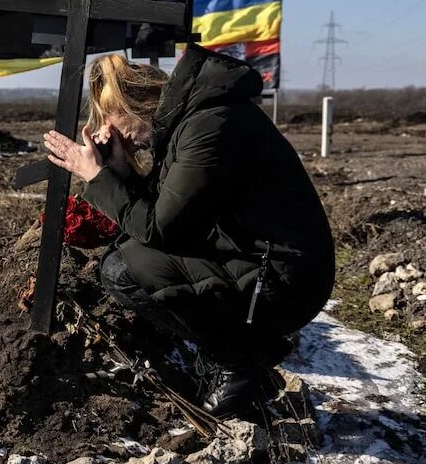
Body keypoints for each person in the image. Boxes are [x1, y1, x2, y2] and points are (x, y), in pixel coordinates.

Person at [42, 45, 335, 417]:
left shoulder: (208, 126)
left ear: (134, 105)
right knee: (127, 257)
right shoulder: (194, 120)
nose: (110, 134)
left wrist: (97, 177)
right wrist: (123, 171)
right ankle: (244, 350)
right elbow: (173, 213)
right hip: (261, 264)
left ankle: (236, 359)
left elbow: (159, 228)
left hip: (282, 282)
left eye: (111, 120)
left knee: (124, 269)